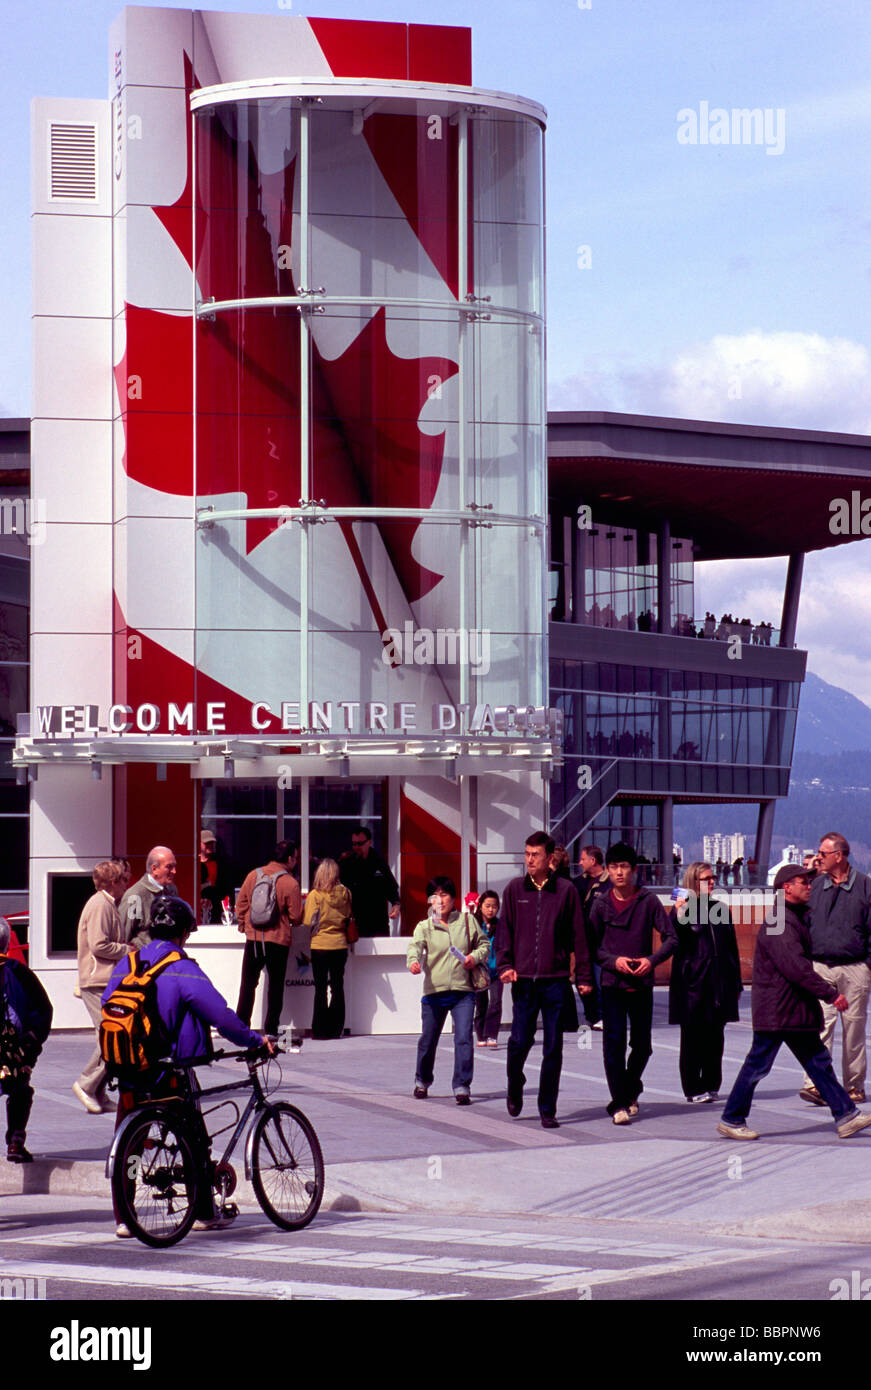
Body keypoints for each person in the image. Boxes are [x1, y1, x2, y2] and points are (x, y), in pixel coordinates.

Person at [103, 895, 272, 1234]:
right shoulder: (182, 968)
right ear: (182, 933)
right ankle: (204, 1213)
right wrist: (255, 1041)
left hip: (127, 1068)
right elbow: (221, 1017)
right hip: (168, 1069)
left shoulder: (128, 964)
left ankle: (125, 1216)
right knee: (193, 1140)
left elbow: (109, 1005)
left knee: (131, 1146)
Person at [718, 865, 871, 1141]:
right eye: (803, 883)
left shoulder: (793, 917)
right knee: (758, 1064)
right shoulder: (780, 920)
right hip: (778, 1010)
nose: (809, 887)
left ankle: (846, 1115)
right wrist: (830, 993)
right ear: (786, 887)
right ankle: (732, 1118)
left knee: (817, 1062)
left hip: (791, 1010)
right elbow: (795, 967)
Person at [496, 831, 592, 1128]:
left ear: (550, 858)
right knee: (519, 1042)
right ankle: (515, 1081)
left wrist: (585, 977)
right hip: (523, 981)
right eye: (526, 854)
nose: (529, 860)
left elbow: (580, 936)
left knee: (553, 1047)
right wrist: (505, 965)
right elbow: (504, 932)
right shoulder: (514, 890)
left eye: (535, 855)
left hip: (555, 981)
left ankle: (547, 1109)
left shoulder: (565, 891)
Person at [589, 841, 677, 1125]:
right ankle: (618, 1104)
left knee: (642, 1046)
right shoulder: (600, 903)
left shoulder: (648, 901)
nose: (619, 873)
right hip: (612, 984)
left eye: (624, 867)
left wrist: (652, 961)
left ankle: (631, 1089)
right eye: (613, 867)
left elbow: (672, 938)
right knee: (613, 1045)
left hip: (641, 985)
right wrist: (613, 961)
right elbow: (590, 946)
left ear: (634, 870)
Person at [799, 832, 871, 1106]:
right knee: (819, 1027)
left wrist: (867, 967)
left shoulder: (865, 887)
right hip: (821, 968)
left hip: (855, 969)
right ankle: (816, 1084)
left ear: (838, 856)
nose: (818, 857)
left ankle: (854, 1086)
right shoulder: (815, 887)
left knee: (853, 1031)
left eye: (823, 853)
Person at [407, 876, 489, 1104]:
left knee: (463, 1038)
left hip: (463, 991)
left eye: (444, 895)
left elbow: (484, 944)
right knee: (428, 1040)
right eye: (435, 896)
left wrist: (474, 956)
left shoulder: (466, 921)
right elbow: (415, 947)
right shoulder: (424, 927)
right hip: (434, 992)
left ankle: (462, 1085)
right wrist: (413, 962)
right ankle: (422, 1080)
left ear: (453, 898)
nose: (440, 900)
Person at [668, 862, 742, 1103]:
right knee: (692, 1038)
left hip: (719, 982)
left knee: (715, 1036)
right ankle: (692, 1087)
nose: (712, 882)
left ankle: (712, 1083)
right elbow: (672, 940)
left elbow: (731, 947)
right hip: (692, 984)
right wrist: (679, 914)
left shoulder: (720, 908)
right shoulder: (682, 909)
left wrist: (737, 982)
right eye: (706, 878)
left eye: (713, 878)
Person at [72, 860, 131, 1115]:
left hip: (101, 980)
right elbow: (98, 945)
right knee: (111, 1036)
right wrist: (126, 950)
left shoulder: (105, 904)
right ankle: (87, 1084)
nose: (125, 885)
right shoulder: (100, 905)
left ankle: (97, 1089)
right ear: (112, 882)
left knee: (111, 1034)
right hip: (97, 980)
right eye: (123, 880)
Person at [234, 840, 302, 1037]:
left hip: (254, 938)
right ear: (289, 859)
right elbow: (296, 917)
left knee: (248, 984)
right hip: (278, 940)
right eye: (295, 858)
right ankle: (271, 1029)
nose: (296, 862)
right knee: (276, 986)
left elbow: (242, 904)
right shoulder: (290, 883)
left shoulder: (254, 875)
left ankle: (240, 1026)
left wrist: (244, 924)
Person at [0, 917, 53, 1162]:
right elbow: (43, 1010)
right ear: (6, 944)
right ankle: (15, 1142)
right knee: (20, 1091)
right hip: (14, 1051)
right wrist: (30, 1046)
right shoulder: (18, 972)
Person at [304, 858, 353, 1040]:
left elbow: (308, 920)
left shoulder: (315, 895)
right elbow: (348, 915)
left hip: (320, 945)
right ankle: (336, 1028)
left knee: (320, 988)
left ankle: (320, 1029)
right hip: (339, 944)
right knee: (337, 986)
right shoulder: (346, 893)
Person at [573, 844, 609, 1030]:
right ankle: (591, 1015)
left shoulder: (609, 884)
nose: (579, 862)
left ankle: (603, 1015)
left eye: (583, 859)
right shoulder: (578, 883)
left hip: (603, 941)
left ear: (593, 860)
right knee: (582, 979)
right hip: (583, 940)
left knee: (600, 978)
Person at [339, 827, 400, 937]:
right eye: (354, 844)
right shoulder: (347, 864)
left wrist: (396, 904)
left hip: (377, 921)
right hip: (356, 922)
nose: (356, 847)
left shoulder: (379, 862)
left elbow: (391, 887)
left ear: (369, 842)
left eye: (360, 843)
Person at [118, 846, 178, 941]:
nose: (174, 871)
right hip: (146, 955)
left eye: (175, 866)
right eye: (169, 867)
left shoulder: (171, 891)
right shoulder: (135, 896)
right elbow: (123, 936)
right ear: (154, 869)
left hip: (167, 954)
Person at [472, 890, 503, 1047]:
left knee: (496, 1002)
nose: (491, 909)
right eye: (488, 906)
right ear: (480, 906)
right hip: (479, 971)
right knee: (481, 1003)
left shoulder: (500, 925)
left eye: (495, 906)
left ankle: (492, 1034)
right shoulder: (474, 924)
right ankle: (481, 1034)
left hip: (497, 970)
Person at [199, 830, 233, 924]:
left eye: (212, 843)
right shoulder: (194, 864)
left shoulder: (221, 863)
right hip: (199, 905)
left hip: (217, 905)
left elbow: (227, 887)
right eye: (207, 843)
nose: (210, 845)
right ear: (199, 844)